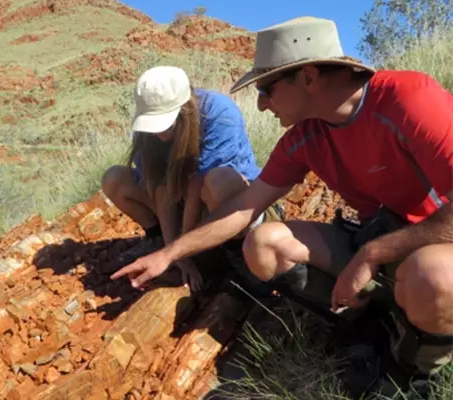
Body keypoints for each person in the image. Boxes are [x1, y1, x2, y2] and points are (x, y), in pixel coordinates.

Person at [111, 17, 453, 397]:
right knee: (264, 243)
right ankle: (363, 325)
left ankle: (411, 372)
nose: (260, 104)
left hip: (431, 246)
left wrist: (372, 254)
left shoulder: (408, 98)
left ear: (308, 78)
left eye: (266, 89)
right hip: (377, 238)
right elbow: (244, 208)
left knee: (434, 274)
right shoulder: (306, 136)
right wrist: (169, 252)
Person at [101, 65, 278, 291]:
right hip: (181, 201)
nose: (159, 134)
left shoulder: (218, 112)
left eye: (166, 125)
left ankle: (241, 251)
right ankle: (157, 240)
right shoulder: (146, 135)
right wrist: (172, 250)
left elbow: (198, 185)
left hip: (230, 202)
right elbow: (161, 191)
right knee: (114, 178)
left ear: (184, 109)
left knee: (218, 181)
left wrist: (180, 249)